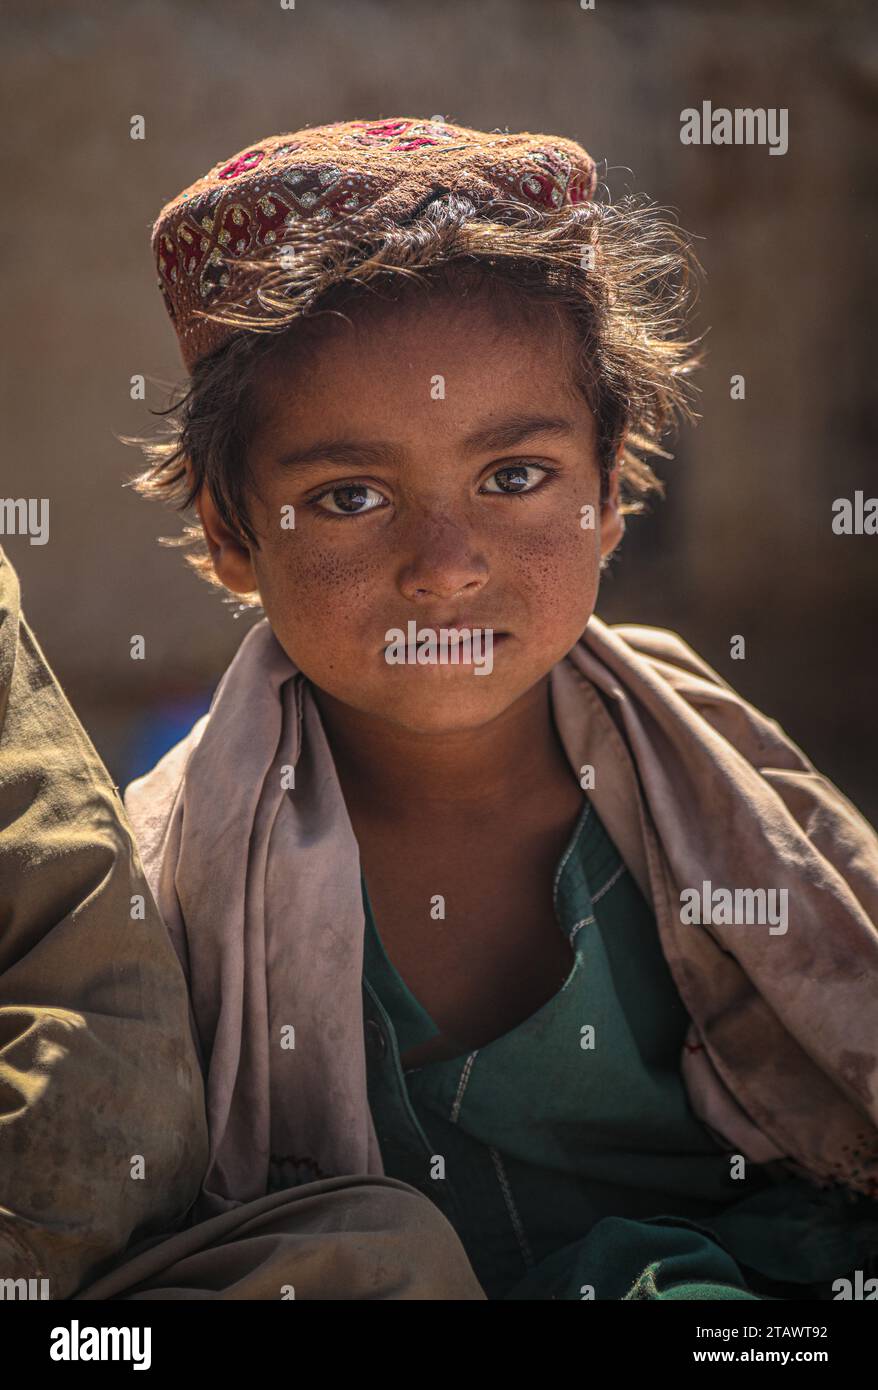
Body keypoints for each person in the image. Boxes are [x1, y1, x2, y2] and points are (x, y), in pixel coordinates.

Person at [4, 116, 877, 1301]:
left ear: (608, 487)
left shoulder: (713, 784)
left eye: (514, 477)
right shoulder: (169, 880)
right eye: (351, 494)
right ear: (229, 533)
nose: (447, 564)